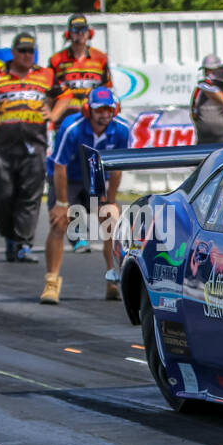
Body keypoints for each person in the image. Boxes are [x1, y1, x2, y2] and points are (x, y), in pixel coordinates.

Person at [42, 87, 130, 304]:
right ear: (87, 110)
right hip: (68, 178)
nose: (105, 114)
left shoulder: (121, 130)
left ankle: (112, 278)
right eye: (99, 110)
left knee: (111, 221)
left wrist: (109, 201)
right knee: (59, 223)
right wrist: (62, 203)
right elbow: (60, 166)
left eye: (109, 109)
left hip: (95, 179)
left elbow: (118, 169)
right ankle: (51, 282)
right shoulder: (71, 128)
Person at [0, 31, 54, 262]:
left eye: (30, 51)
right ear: (13, 53)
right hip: (2, 147)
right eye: (22, 51)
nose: (26, 55)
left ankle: (24, 244)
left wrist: (53, 113)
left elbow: (65, 95)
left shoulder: (46, 75)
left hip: (35, 145)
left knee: (29, 196)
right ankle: (10, 236)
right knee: (2, 195)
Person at [47, 14, 112, 125]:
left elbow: (108, 90)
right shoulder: (56, 60)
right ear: (69, 34)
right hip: (65, 120)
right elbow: (49, 94)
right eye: (76, 30)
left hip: (93, 120)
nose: (80, 33)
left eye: (83, 29)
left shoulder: (101, 58)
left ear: (89, 32)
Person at [190, 54, 223, 144]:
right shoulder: (200, 89)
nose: (208, 73)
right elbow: (194, 113)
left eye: (211, 71)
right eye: (206, 70)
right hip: (204, 140)